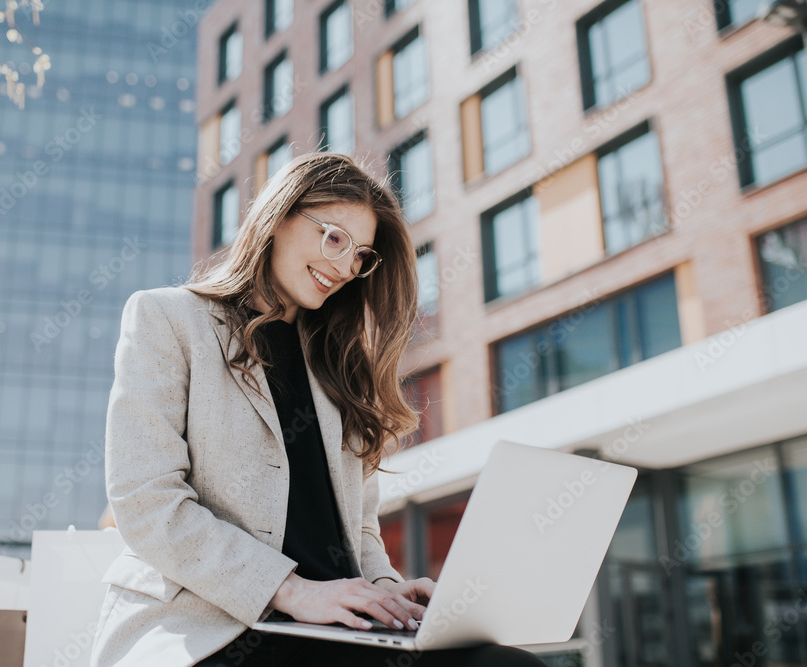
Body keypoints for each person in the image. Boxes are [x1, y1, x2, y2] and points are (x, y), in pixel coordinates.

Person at [89, 153, 547, 667]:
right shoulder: (168, 319)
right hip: (211, 624)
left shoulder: (338, 364)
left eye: (361, 256)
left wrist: (388, 590)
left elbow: (360, 528)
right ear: (279, 217)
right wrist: (292, 591)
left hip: (338, 628)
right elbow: (146, 502)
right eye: (333, 238)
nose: (344, 266)